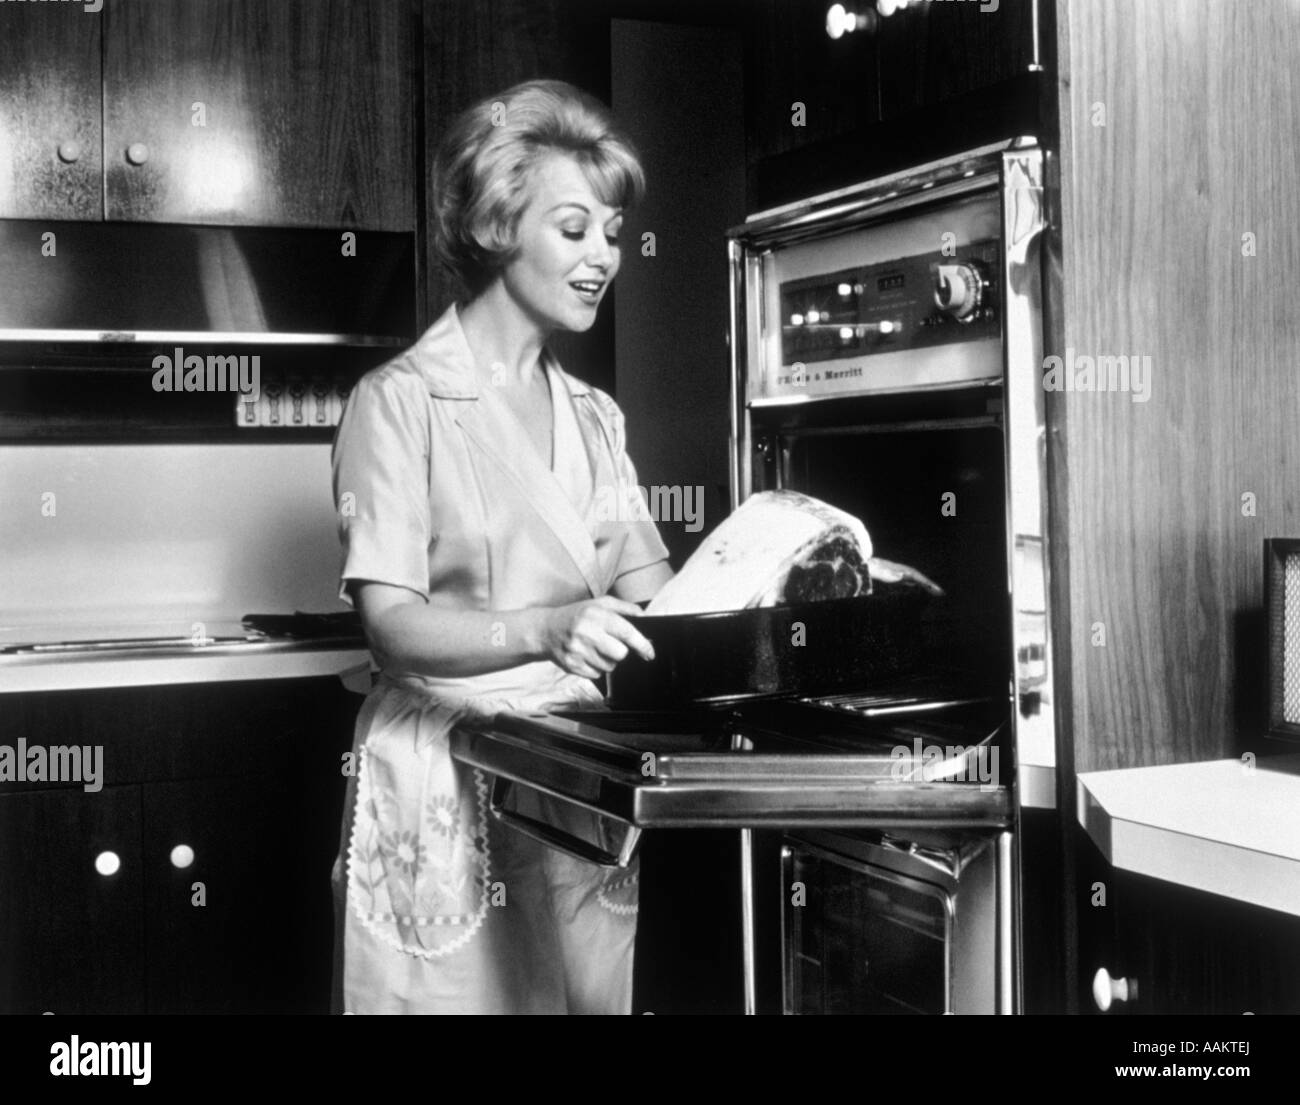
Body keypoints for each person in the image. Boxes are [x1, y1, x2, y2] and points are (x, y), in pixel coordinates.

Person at [328, 79, 673, 1014]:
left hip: (568, 773)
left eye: (612, 233)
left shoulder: (597, 419)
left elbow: (658, 598)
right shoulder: (398, 403)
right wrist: (551, 627)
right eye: (574, 228)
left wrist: (775, 579)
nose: (604, 255)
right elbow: (392, 631)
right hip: (444, 777)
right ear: (495, 223)